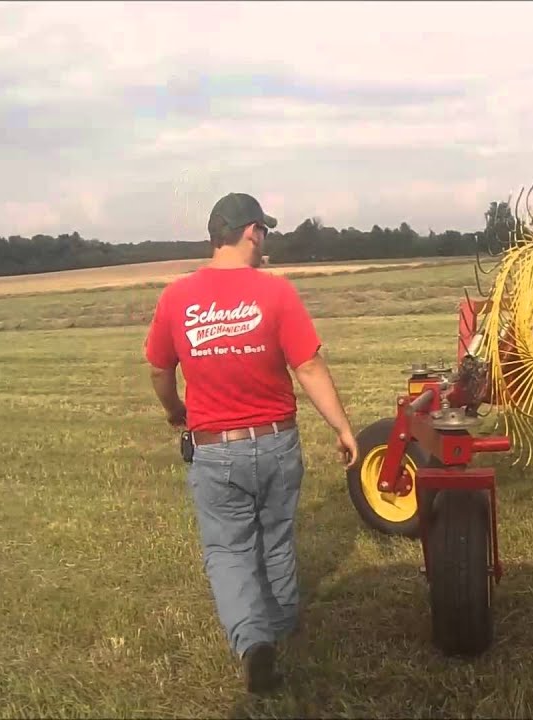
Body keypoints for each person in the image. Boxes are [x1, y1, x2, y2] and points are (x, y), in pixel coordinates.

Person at [143, 192, 360, 694]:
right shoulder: (276, 293)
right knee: (277, 536)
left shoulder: (176, 298)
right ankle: (282, 625)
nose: (264, 243)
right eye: (264, 233)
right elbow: (307, 365)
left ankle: (255, 642)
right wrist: (343, 428)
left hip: (215, 448)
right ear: (251, 232)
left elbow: (159, 368)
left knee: (229, 548)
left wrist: (175, 411)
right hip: (277, 441)